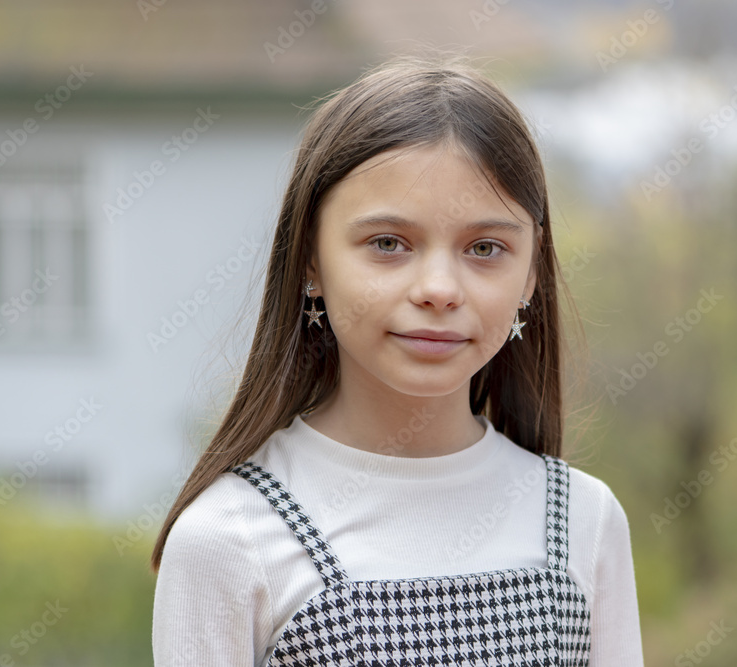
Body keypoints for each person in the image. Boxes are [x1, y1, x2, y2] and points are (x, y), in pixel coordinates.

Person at [150, 51, 644, 666]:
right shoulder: (228, 538)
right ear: (310, 259)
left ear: (532, 272)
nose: (439, 288)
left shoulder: (584, 521)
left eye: (485, 247)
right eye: (388, 244)